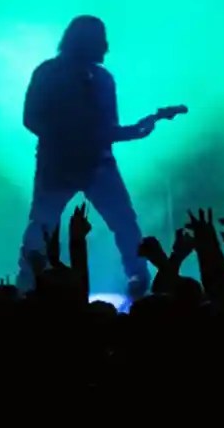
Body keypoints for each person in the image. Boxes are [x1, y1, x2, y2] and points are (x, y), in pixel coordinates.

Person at [17, 16, 161, 298]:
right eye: (102, 41)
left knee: (47, 225)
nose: (106, 48)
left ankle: (28, 285)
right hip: (71, 163)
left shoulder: (92, 78)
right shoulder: (54, 73)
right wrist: (74, 137)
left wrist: (134, 131)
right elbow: (31, 118)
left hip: (75, 163)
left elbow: (105, 129)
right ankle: (137, 278)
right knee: (119, 222)